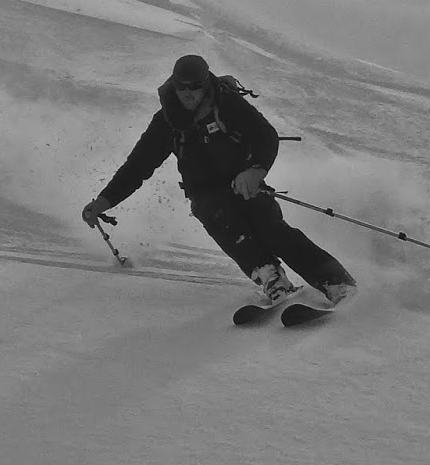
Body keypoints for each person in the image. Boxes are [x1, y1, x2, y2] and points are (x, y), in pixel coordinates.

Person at [82, 54, 355, 305]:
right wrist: (104, 201)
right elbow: (138, 166)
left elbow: (265, 136)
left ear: (205, 84)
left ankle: (336, 282)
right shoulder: (167, 121)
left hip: (243, 181)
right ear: (173, 86)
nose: (188, 93)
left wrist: (255, 171)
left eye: (195, 86)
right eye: (181, 87)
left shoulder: (227, 104)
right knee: (225, 225)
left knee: (271, 228)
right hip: (205, 192)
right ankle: (272, 280)